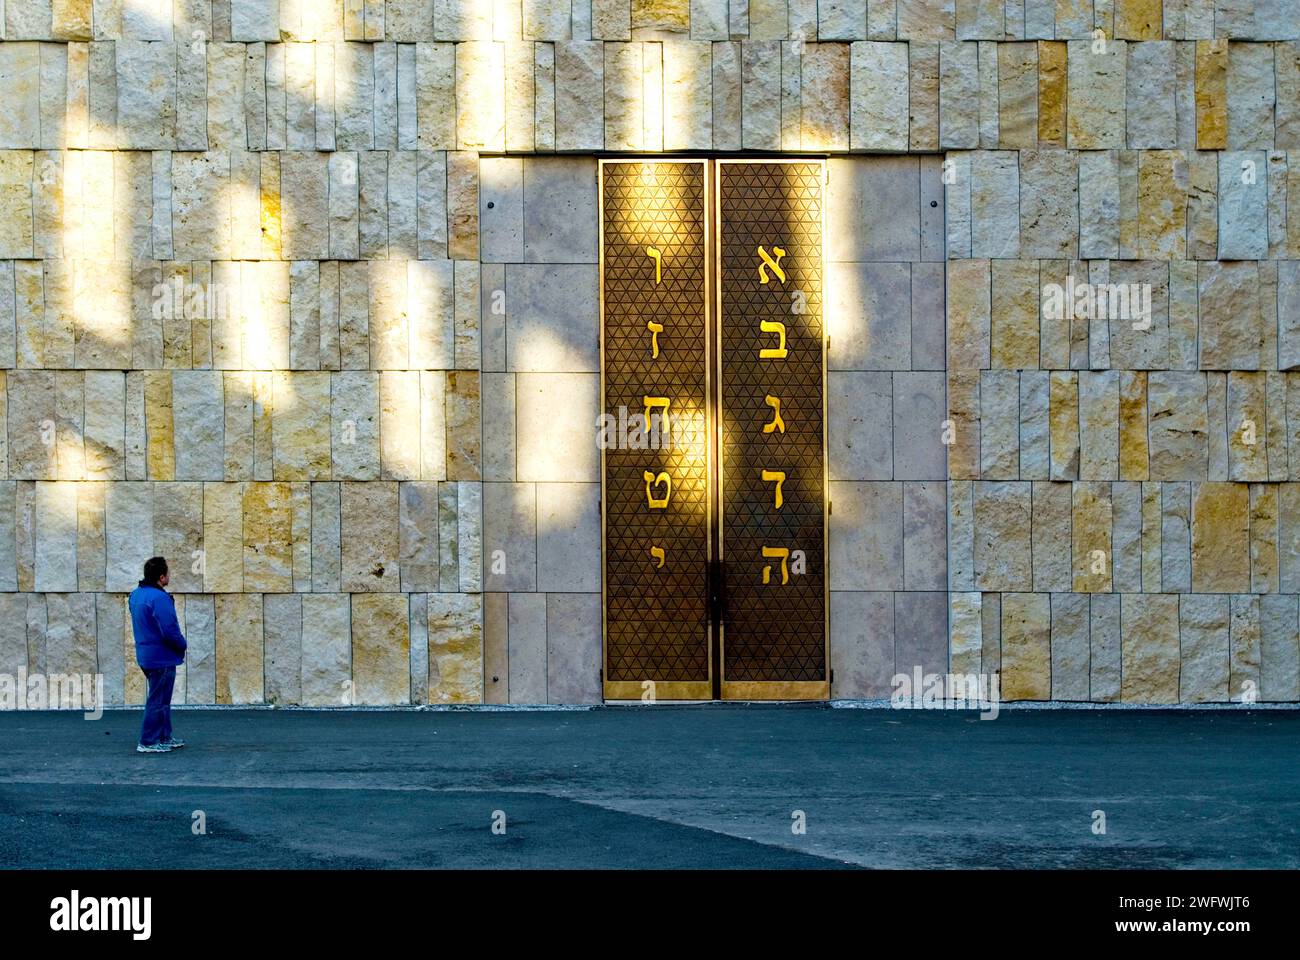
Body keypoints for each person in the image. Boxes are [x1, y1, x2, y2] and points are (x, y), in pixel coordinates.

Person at [127, 557, 188, 754]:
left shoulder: (135, 595)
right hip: (161, 656)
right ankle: (148, 741)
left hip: (146, 655)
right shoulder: (159, 598)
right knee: (158, 700)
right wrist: (182, 644)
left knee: (161, 699)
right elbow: (169, 629)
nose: (169, 576)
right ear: (161, 577)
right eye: (168, 573)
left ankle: (163, 737)